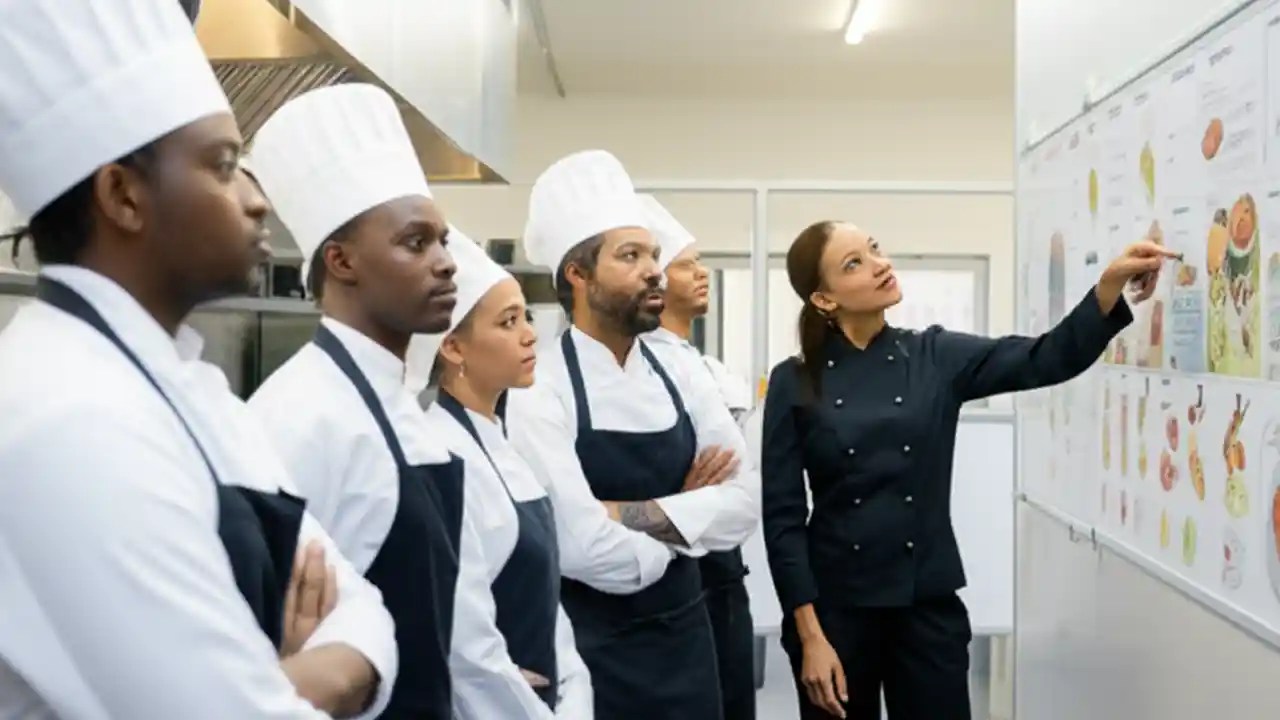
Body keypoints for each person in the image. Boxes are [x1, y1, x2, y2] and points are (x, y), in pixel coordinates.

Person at [0, 1, 396, 717]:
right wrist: (306, 678)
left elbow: (366, 609)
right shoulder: (65, 416)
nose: (255, 202)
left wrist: (305, 673)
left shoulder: (191, 388)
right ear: (122, 194)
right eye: (223, 166)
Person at [761, 221, 1175, 719]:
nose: (879, 263)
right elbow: (782, 519)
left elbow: (1043, 357)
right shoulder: (795, 380)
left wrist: (1107, 287)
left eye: (874, 248)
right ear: (824, 299)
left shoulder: (935, 355)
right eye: (854, 264)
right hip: (836, 616)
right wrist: (810, 636)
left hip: (926, 607)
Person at [247, 82, 546, 719]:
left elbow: (457, 633)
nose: (445, 265)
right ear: (342, 261)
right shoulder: (301, 416)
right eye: (416, 244)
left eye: (442, 242)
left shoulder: (403, 407)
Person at [504, 149, 761, 720]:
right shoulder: (540, 388)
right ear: (578, 275)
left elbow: (745, 504)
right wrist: (690, 512)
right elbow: (582, 547)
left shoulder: (683, 369)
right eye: (630, 256)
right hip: (593, 651)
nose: (655, 270)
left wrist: (618, 511)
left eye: (654, 255)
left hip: (689, 641)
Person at [404, 231, 594, 718]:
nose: (530, 333)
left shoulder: (501, 443)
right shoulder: (441, 457)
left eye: (525, 316)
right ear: (453, 348)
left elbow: (548, 602)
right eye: (508, 322)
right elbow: (469, 648)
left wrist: (574, 689)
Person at [637, 195, 757, 719]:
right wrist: (687, 497)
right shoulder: (643, 368)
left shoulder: (703, 366)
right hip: (671, 576)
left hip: (724, 568)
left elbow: (735, 482)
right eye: (687, 266)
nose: (701, 274)